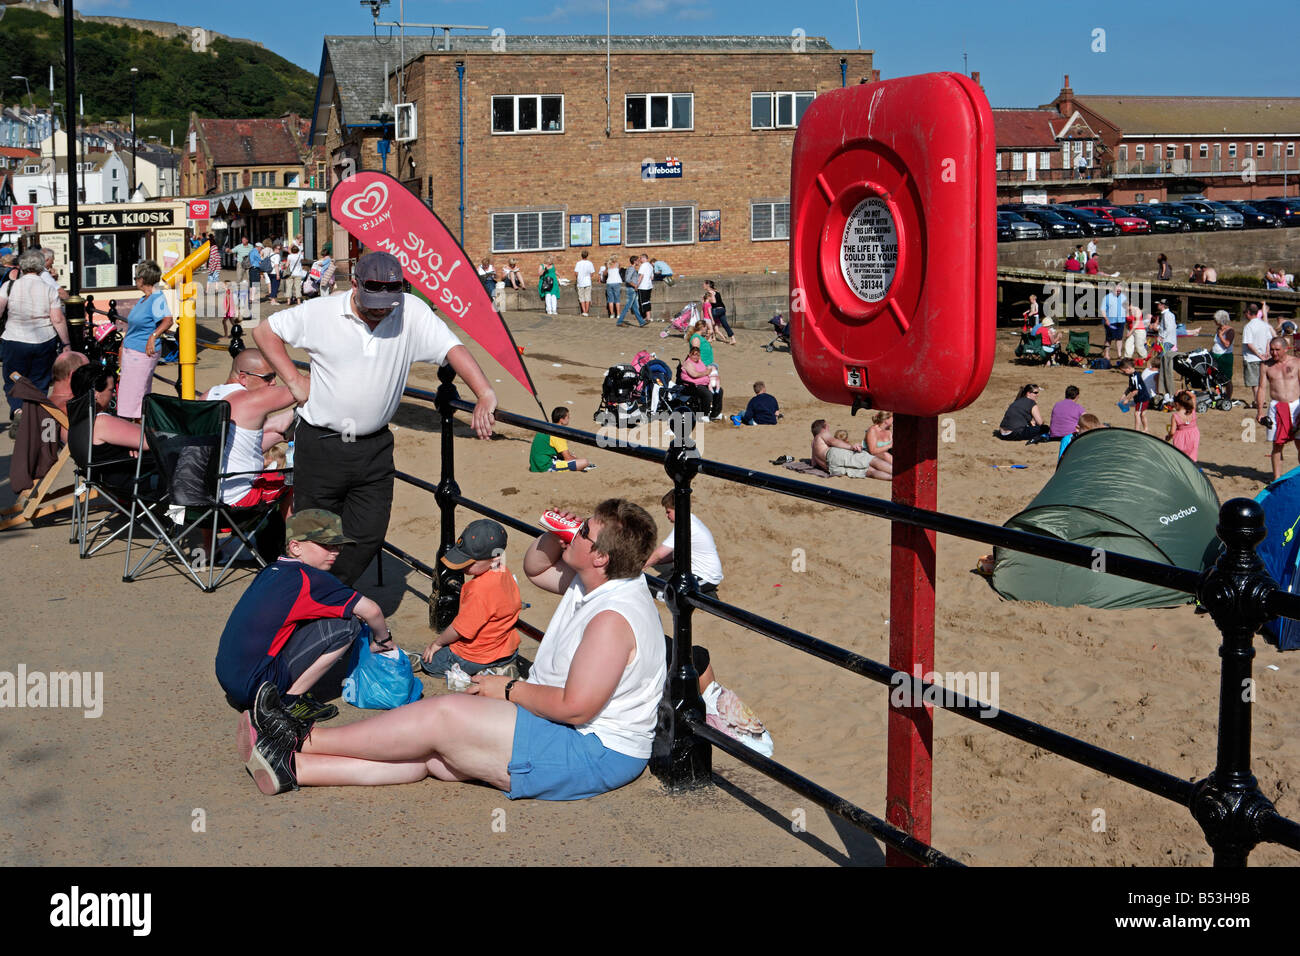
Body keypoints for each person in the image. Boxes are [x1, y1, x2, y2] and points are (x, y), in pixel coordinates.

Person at [237, 499, 667, 801]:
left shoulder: (612, 619)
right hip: (570, 731)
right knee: (437, 758)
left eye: (584, 532)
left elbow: (576, 708)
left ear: (601, 558)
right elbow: (535, 567)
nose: (576, 531)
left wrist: (508, 690)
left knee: (444, 718)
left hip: (594, 751)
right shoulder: (597, 580)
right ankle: (293, 769)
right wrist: (556, 532)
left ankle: (302, 740)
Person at [252, 250, 497, 587]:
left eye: (388, 302)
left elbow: (452, 348)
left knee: (368, 533)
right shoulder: (321, 312)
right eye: (373, 301)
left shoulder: (410, 311)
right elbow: (265, 331)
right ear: (353, 284)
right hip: (322, 443)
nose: (381, 309)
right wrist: (293, 380)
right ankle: (310, 606)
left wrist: (484, 393)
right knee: (314, 533)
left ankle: (331, 597)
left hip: (373, 447)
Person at [216, 509, 393, 722]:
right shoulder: (311, 578)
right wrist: (384, 640)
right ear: (295, 547)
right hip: (258, 687)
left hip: (230, 679)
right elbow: (371, 610)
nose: (335, 551)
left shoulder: (270, 570)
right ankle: (289, 701)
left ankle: (273, 691)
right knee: (348, 625)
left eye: (337, 545)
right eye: (326, 545)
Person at [421, 519, 522, 678]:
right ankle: (501, 665)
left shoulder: (479, 589)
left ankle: (484, 674)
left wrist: (437, 643)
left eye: (470, 563)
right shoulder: (502, 570)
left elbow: (460, 629)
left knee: (429, 663)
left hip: (478, 656)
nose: (462, 567)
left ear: (494, 558)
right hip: (507, 648)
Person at [203, 349, 297, 509]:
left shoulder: (207, 396)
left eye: (275, 375)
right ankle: (290, 534)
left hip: (203, 498)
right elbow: (301, 389)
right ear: (243, 378)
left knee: (276, 432)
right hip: (239, 499)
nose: (273, 382)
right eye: (268, 377)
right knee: (294, 481)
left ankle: (282, 428)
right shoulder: (249, 400)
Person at [0, 248, 71, 425]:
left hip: (14, 339)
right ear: (41, 268)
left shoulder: (9, 286)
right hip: (44, 340)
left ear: (22, 267)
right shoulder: (49, 289)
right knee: (40, 381)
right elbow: (57, 319)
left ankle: (18, 410)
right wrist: (66, 342)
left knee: (13, 378)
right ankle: (35, 415)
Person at [115, 260, 174, 420]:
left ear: (142, 279)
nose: (135, 280)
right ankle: (135, 434)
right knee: (132, 396)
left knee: (136, 397)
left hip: (142, 352)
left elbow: (168, 320)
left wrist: (153, 336)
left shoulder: (156, 298)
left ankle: (138, 436)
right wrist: (123, 345)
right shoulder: (144, 299)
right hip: (131, 351)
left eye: (136, 277)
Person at [643, 490, 723, 594]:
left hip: (707, 576)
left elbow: (659, 554)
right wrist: (648, 562)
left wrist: (641, 566)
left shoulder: (686, 526)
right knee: (655, 583)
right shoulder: (688, 520)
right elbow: (673, 555)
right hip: (692, 571)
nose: (667, 516)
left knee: (662, 592)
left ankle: (707, 595)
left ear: (678, 509)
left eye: (668, 512)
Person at [1260, 336, 1300, 479]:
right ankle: (1276, 479)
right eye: (1271, 349)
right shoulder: (1265, 365)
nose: (1274, 353)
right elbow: (1262, 388)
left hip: (1296, 406)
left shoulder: (1297, 363)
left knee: (1299, 443)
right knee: (1277, 445)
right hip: (1276, 407)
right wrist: (1260, 412)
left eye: (1277, 350)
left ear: (1285, 349)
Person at [811, 418, 891, 480]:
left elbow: (813, 464)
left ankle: (891, 478)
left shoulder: (813, 444)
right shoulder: (822, 433)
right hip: (833, 455)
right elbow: (833, 441)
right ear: (824, 427)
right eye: (827, 426)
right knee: (871, 460)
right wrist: (851, 447)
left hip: (832, 468)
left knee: (869, 471)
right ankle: (898, 475)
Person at [529, 406, 594, 472]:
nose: (569, 419)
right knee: (584, 462)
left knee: (570, 455)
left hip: (535, 465)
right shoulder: (558, 433)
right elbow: (568, 458)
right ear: (561, 420)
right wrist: (576, 459)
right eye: (568, 417)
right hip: (545, 466)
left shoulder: (546, 427)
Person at [1242, 302, 1272, 410]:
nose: (1245, 314)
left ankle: (1258, 401)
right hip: (1264, 357)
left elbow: (1249, 344)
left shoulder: (1248, 326)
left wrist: (1259, 354)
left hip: (1252, 358)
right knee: (1262, 381)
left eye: (1246, 312)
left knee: (1254, 383)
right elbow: (1269, 339)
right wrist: (1267, 352)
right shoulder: (1264, 324)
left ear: (1249, 313)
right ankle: (1261, 400)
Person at [1116, 358, 1157, 433]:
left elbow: (1135, 391)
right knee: (1143, 414)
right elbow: (1130, 387)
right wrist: (1124, 395)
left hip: (1142, 398)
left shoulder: (1135, 376)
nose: (1124, 373)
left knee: (1137, 413)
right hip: (1143, 397)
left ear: (1128, 368)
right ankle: (1146, 429)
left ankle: (1136, 430)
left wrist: (1127, 399)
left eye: (1124, 371)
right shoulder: (1131, 376)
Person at [680, 346, 715, 420]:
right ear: (689, 354)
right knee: (707, 394)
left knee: (719, 391)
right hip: (692, 385)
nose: (696, 357)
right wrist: (706, 372)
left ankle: (715, 413)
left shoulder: (700, 362)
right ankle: (704, 415)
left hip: (704, 383)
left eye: (698, 355)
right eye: (694, 354)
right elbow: (694, 375)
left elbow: (707, 370)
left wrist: (708, 373)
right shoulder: (688, 363)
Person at [1166, 390, 1200, 461]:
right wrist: (1184, 391)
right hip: (1193, 435)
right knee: (1192, 456)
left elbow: (1172, 432)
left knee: (1181, 457)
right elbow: (1193, 396)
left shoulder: (1175, 416)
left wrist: (1168, 437)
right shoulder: (1192, 409)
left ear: (1177, 404)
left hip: (1180, 437)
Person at [1155, 298, 1178, 400]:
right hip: (1167, 342)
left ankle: (1168, 392)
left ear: (1163, 305)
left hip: (1167, 343)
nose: (1157, 305)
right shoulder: (1166, 315)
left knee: (1165, 366)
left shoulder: (1167, 315)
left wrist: (1162, 337)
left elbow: (1169, 328)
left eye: (1159, 304)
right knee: (1163, 366)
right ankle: (1165, 391)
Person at [1210, 310, 1235, 402]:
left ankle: (1228, 397)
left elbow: (1227, 344)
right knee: (1215, 379)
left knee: (1227, 379)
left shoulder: (1230, 330)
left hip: (1225, 357)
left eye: (1215, 319)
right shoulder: (1218, 329)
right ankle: (1219, 394)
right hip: (1215, 356)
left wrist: (1220, 335)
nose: (1214, 321)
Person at [704, 280, 736, 344]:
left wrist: (706, 300)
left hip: (716, 310)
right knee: (725, 324)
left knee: (707, 320)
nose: (703, 286)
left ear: (708, 285)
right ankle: (733, 339)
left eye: (704, 284)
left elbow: (713, 302)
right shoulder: (716, 291)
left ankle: (710, 337)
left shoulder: (709, 292)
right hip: (722, 309)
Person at [1101, 283, 1127, 361]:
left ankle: (1119, 354)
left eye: (1120, 291)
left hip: (1121, 320)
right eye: (1117, 291)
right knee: (1109, 338)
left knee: (1119, 338)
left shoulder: (1124, 297)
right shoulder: (1107, 297)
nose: (1118, 292)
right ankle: (1107, 354)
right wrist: (1106, 320)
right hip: (1110, 321)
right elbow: (1103, 310)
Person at [616, 261, 646, 327]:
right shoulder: (631, 269)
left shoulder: (631, 268)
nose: (639, 262)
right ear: (635, 261)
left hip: (632, 289)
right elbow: (627, 279)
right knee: (627, 306)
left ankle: (641, 322)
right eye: (638, 260)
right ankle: (619, 321)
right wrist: (635, 285)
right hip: (631, 289)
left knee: (635, 307)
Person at [573, 250, 596, 316]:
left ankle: (583, 311)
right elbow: (592, 274)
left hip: (580, 282)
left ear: (581, 255)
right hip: (588, 282)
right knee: (588, 297)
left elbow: (576, 273)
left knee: (581, 297)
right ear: (587, 255)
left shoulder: (578, 263)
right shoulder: (590, 263)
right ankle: (586, 311)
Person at [635, 254, 655, 322]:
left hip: (642, 286)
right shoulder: (650, 266)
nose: (640, 260)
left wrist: (637, 285)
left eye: (640, 258)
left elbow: (641, 276)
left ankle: (646, 317)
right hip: (649, 286)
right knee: (647, 301)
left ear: (643, 258)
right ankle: (648, 316)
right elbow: (652, 277)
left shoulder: (643, 265)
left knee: (643, 302)